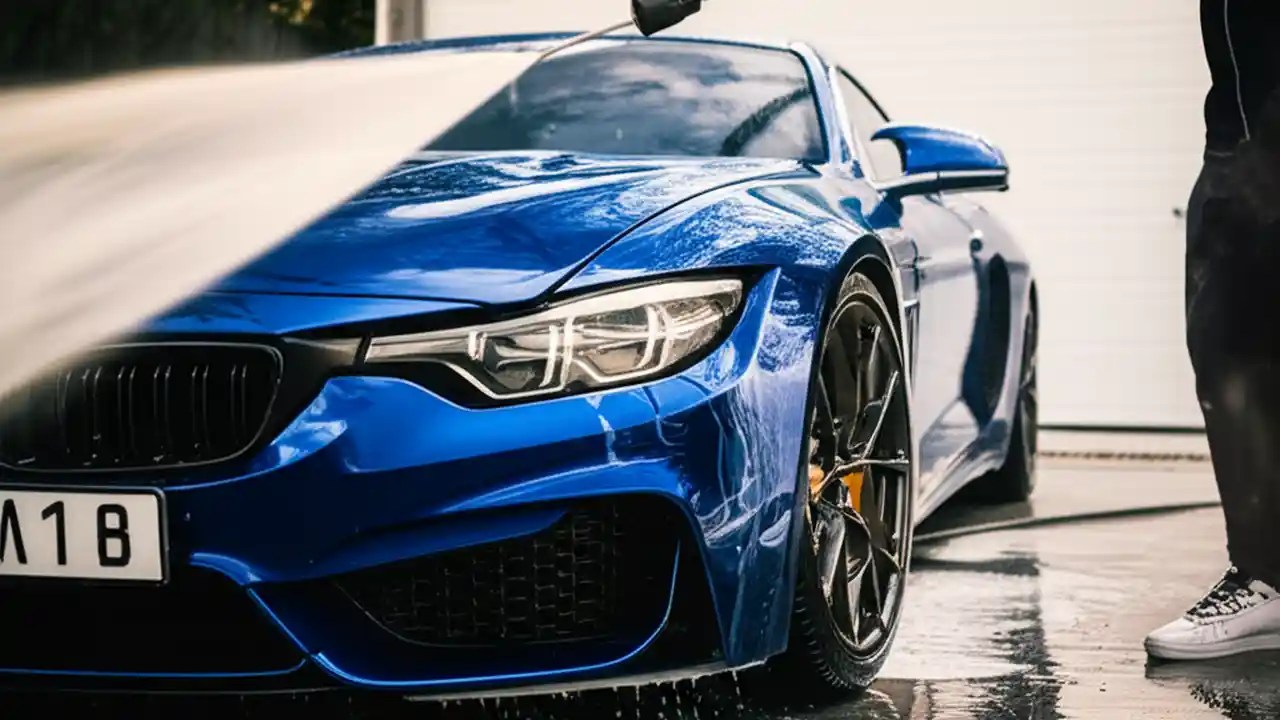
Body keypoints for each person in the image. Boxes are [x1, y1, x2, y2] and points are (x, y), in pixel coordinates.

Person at [1145, 0, 1280, 660]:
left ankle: (1268, 575)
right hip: (1236, 149)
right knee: (1227, 356)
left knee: (1243, 357)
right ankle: (1266, 578)